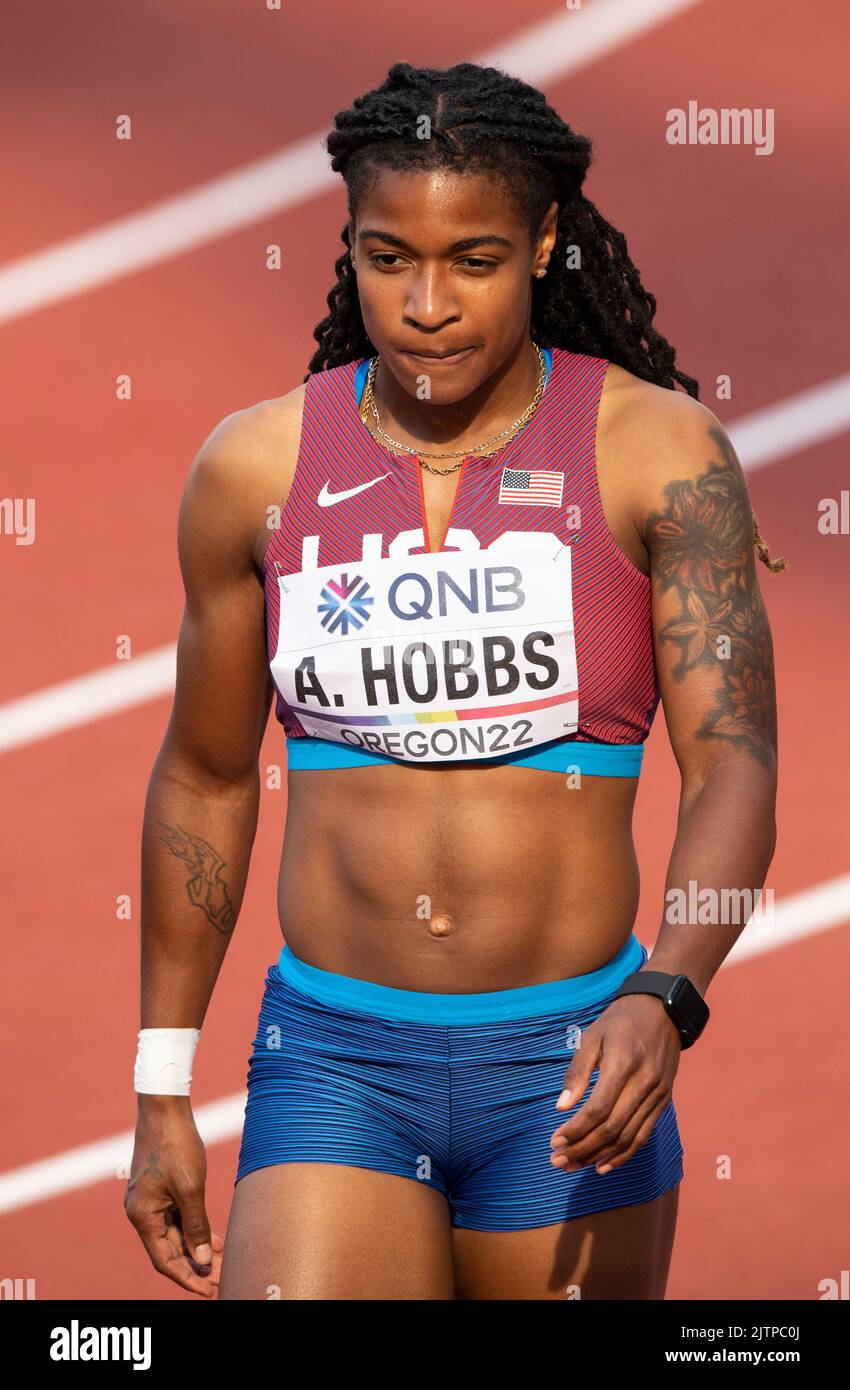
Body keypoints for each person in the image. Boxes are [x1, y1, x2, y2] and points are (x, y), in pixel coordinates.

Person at [125, 61, 783, 1301]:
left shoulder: (656, 453)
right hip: (334, 1058)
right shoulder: (254, 469)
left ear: (540, 242)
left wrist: (667, 994)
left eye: (473, 262)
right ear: (349, 247)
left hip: (573, 1061)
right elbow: (205, 777)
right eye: (389, 260)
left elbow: (732, 768)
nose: (426, 306)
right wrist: (162, 1081)